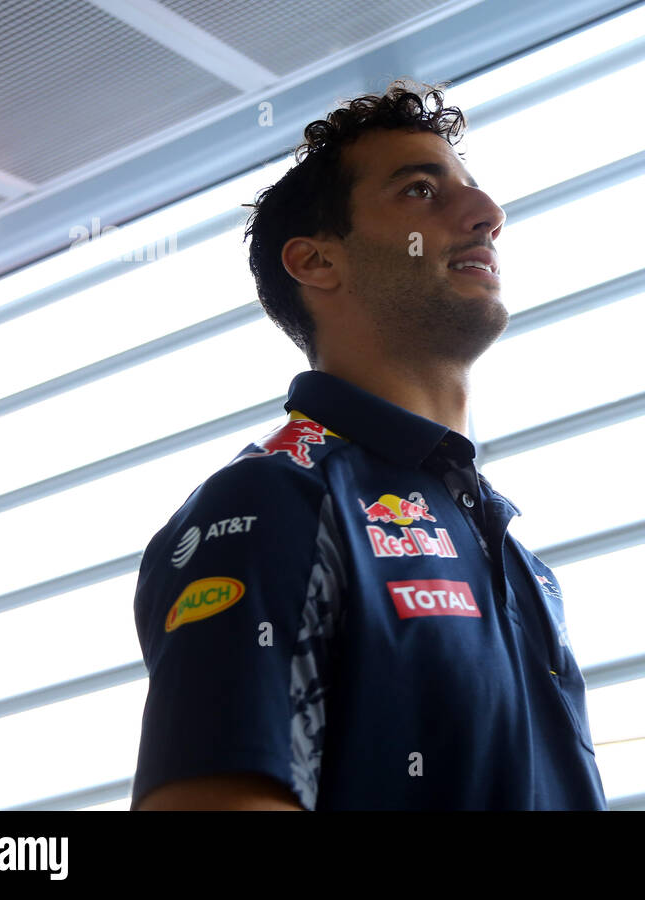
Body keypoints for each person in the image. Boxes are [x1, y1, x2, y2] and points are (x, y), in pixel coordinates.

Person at [130, 78, 607, 810]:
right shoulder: (276, 500)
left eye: (474, 192)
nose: (488, 214)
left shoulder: (513, 550)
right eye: (421, 190)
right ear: (319, 262)